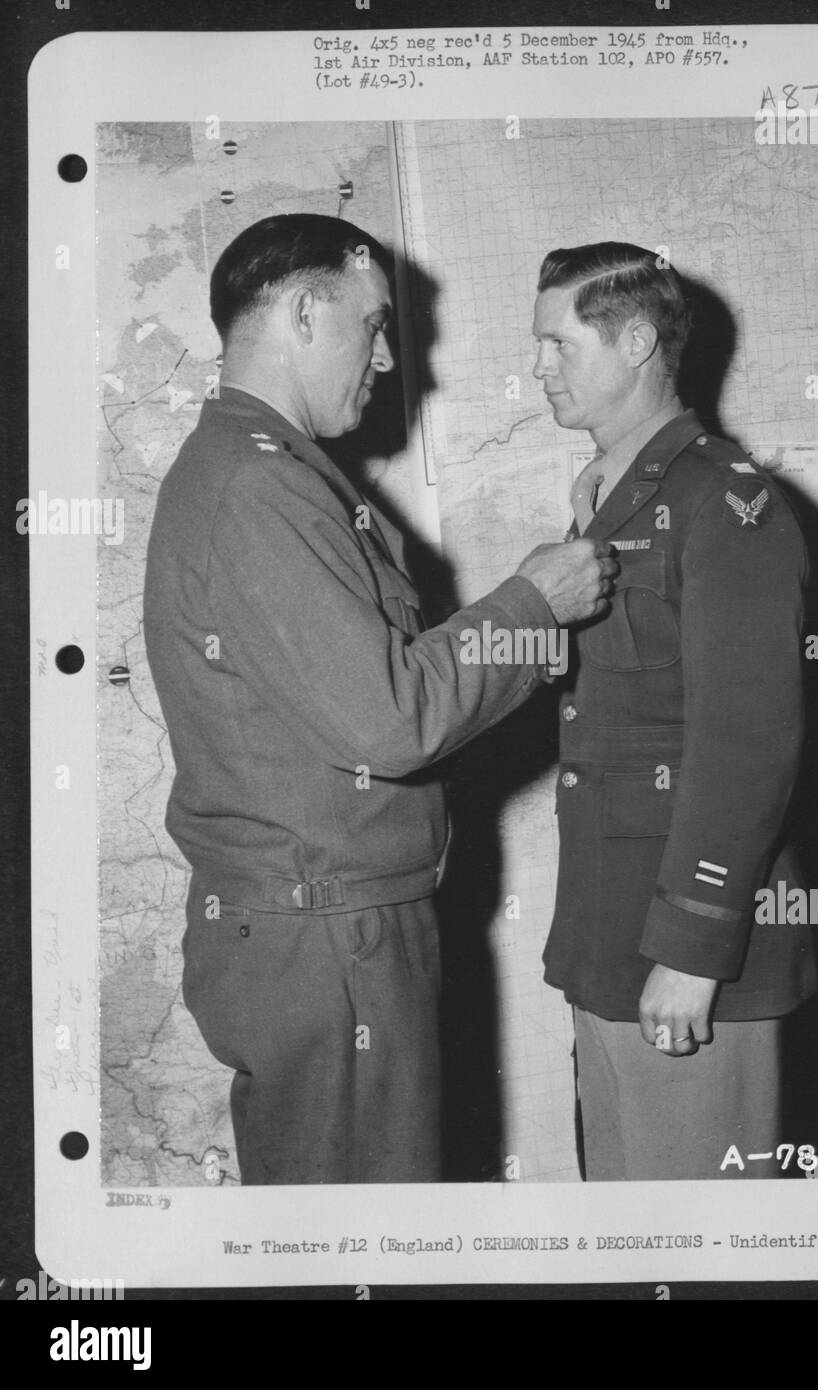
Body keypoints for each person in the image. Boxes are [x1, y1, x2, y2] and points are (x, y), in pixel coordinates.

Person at [143, 214, 614, 1185]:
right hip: (329, 940)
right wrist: (536, 604)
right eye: (373, 323)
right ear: (307, 312)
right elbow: (389, 719)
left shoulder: (264, 476)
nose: (390, 356)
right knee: (364, 1248)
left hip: (325, 927)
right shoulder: (255, 490)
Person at [532, 242, 818, 1180]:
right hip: (611, 938)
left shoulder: (727, 502)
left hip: (691, 954)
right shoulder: (617, 500)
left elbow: (746, 742)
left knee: (701, 1242)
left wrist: (695, 950)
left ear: (633, 341)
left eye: (556, 345)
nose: (538, 369)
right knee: (629, 1234)